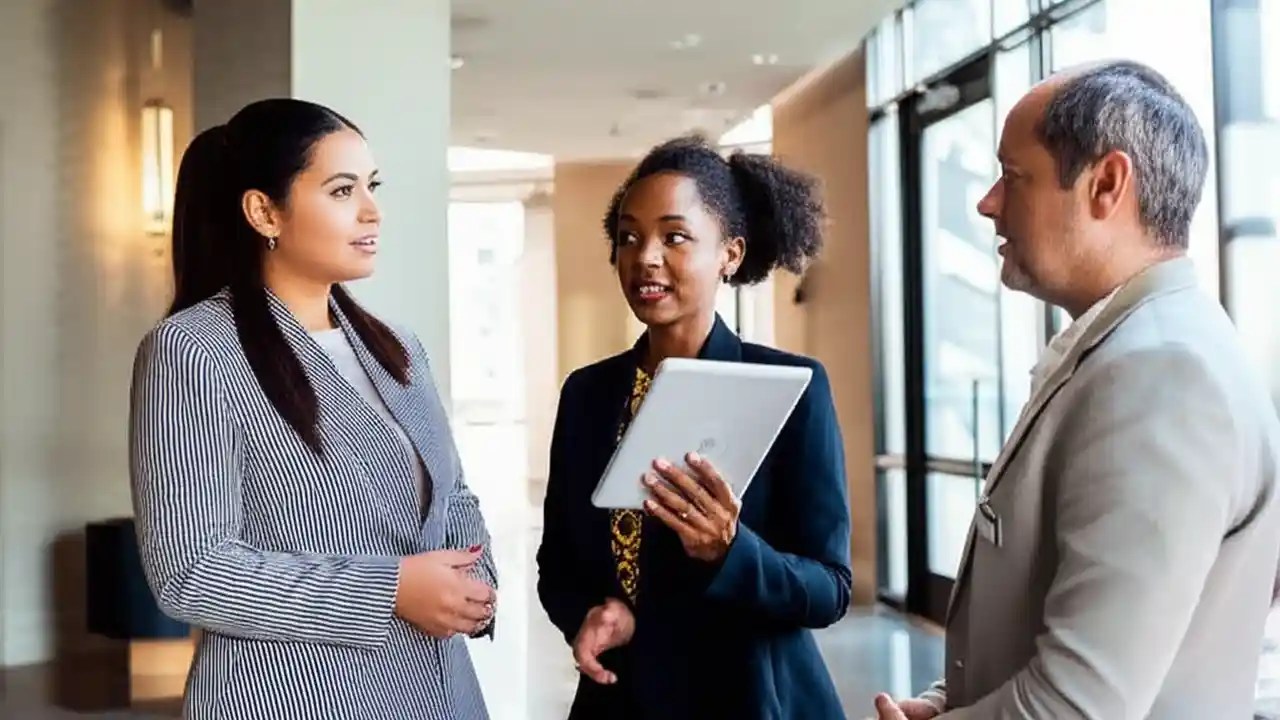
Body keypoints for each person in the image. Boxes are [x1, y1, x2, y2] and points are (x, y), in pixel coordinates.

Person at [874, 60, 1280, 719]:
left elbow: (1076, 704)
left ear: (1106, 184)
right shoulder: (1140, 347)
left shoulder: (1163, 374)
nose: (987, 203)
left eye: (1012, 177)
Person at [128, 99, 498, 719]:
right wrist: (390, 591)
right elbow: (190, 570)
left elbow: (453, 495)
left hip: (440, 689)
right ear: (263, 211)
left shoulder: (399, 347)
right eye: (341, 189)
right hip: (296, 695)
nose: (372, 210)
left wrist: (476, 584)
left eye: (371, 186)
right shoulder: (193, 349)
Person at [536, 134, 853, 719]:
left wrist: (731, 550)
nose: (645, 256)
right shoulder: (587, 394)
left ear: (729, 254)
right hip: (620, 702)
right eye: (628, 237)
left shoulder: (792, 387)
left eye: (675, 237)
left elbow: (829, 588)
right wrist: (590, 611)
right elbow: (556, 564)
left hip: (748, 700)